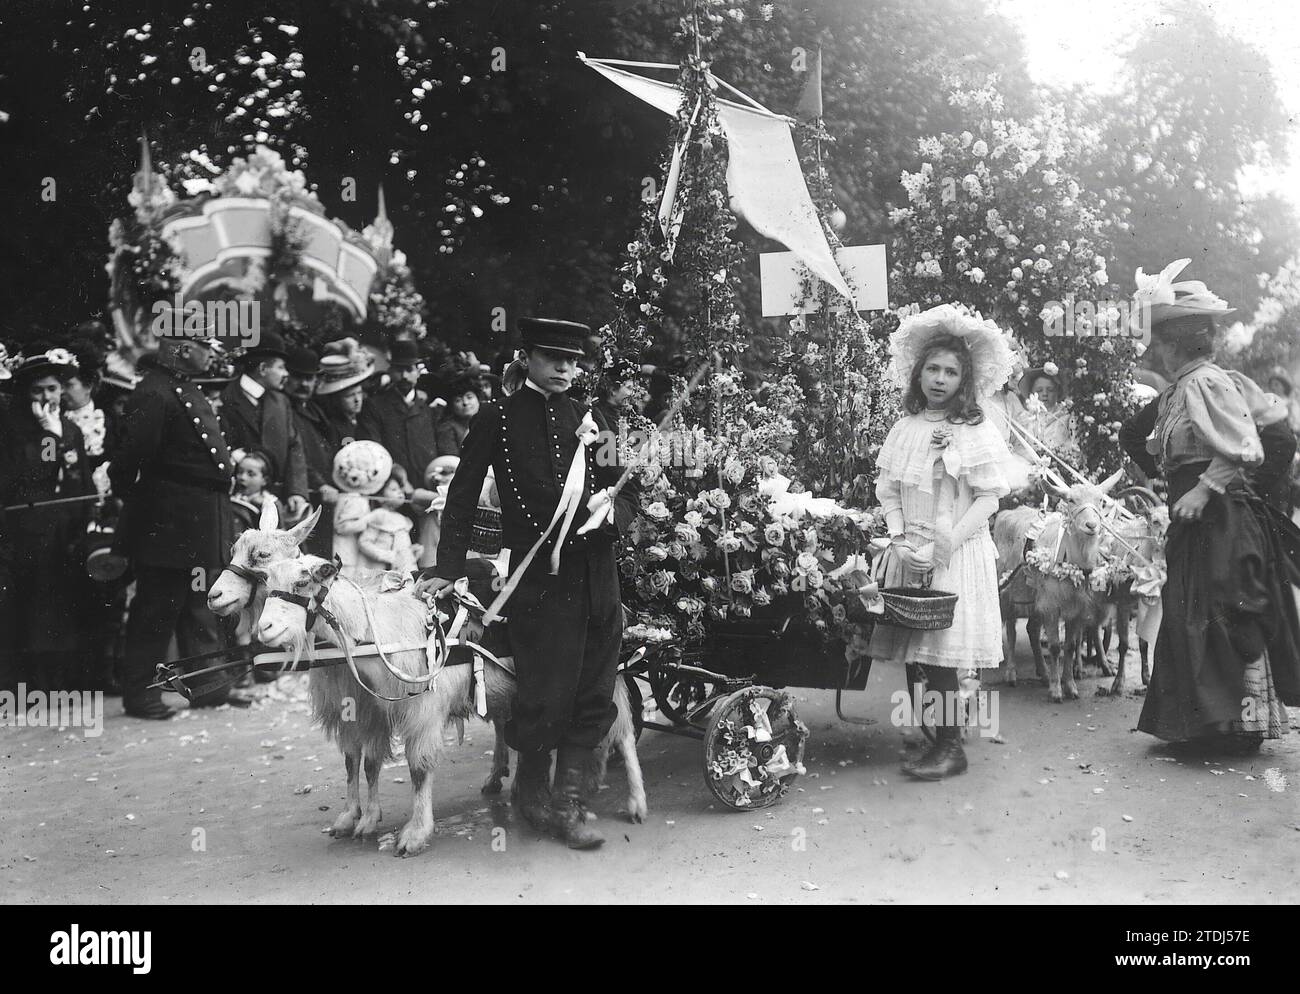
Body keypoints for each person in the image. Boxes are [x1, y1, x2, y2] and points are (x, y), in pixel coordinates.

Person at [415, 318, 639, 849]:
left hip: (597, 578)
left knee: (593, 689)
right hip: (538, 580)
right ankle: (532, 795)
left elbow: (626, 488)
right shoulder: (497, 417)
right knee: (544, 693)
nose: (566, 368)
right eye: (553, 357)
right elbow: (464, 494)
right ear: (529, 358)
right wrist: (447, 567)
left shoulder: (592, 417)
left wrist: (610, 517)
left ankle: (570, 804)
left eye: (574, 360)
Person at [1121, 259, 1300, 753]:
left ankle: (1232, 727)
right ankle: (1206, 724)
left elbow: (1246, 445)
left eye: (1159, 338)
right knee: (1191, 609)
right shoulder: (1182, 387)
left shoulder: (1207, 381)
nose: (1153, 346)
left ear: (1178, 340)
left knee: (1223, 608)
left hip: (1218, 516)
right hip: (1198, 518)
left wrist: (1204, 489)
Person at [869, 305, 1014, 781]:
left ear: (963, 380)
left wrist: (946, 542)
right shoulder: (905, 428)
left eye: (950, 372)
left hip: (956, 552)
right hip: (910, 549)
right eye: (932, 369)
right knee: (915, 652)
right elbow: (889, 491)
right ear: (918, 373)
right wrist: (898, 539)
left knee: (942, 654)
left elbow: (988, 499)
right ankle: (935, 736)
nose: (939, 379)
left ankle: (952, 747)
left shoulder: (974, 429)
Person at [110, 334, 238, 718]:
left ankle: (208, 686)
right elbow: (133, 457)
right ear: (183, 348)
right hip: (168, 522)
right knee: (157, 609)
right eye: (204, 345)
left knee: (199, 606)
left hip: (198, 518)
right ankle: (141, 694)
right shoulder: (155, 392)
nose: (211, 352)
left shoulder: (181, 388)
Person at [0, 347, 93, 694]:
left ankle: (59, 682)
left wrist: (81, 524)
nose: (46, 397)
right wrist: (48, 436)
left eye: (52, 389)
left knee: (60, 607)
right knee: (28, 609)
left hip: (62, 532)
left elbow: (79, 480)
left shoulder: (70, 428)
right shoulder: (16, 429)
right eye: (38, 390)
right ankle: (24, 685)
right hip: (26, 532)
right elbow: (28, 478)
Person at [218, 331, 309, 523]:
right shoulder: (224, 397)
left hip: (275, 504)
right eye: (281, 367)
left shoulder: (281, 401)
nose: (286, 374)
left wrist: (297, 491)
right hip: (235, 505)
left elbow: (294, 447)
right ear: (263, 368)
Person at [360, 339, 439, 483]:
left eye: (409, 370)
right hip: (392, 486)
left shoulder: (428, 408)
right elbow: (373, 449)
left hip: (428, 483)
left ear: (418, 372)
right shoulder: (375, 406)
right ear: (390, 371)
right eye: (398, 370)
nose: (404, 376)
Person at [284, 343, 335, 557]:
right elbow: (295, 457)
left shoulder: (316, 410)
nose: (304, 384)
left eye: (310, 378)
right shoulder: (283, 410)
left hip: (325, 498)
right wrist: (320, 483)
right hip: (303, 498)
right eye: (298, 377)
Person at [434, 374, 480, 457]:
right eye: (458, 400)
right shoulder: (447, 428)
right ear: (451, 406)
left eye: (469, 397)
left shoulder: (487, 420)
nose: (465, 403)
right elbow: (451, 460)